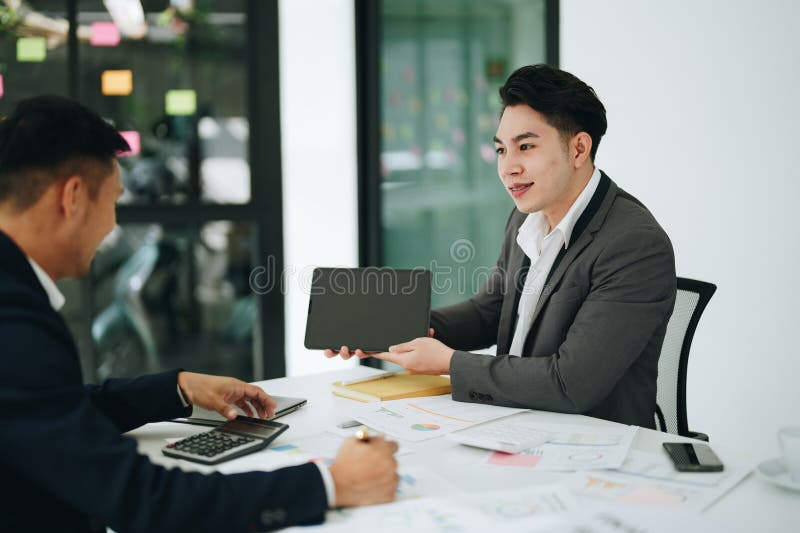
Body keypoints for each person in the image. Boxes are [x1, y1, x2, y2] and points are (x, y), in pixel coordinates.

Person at [0, 95, 399, 533]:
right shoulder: (14, 321)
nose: (112, 224)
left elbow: (54, 412)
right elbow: (142, 500)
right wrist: (330, 484)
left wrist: (177, 388)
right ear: (73, 196)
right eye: (113, 202)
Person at [327, 65, 676, 429]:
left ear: (578, 149)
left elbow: (571, 384)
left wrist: (448, 363)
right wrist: (392, 327)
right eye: (500, 150)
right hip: (513, 425)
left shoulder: (633, 245)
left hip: (591, 446)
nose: (508, 167)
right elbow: (489, 313)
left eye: (525, 147)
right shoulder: (527, 218)